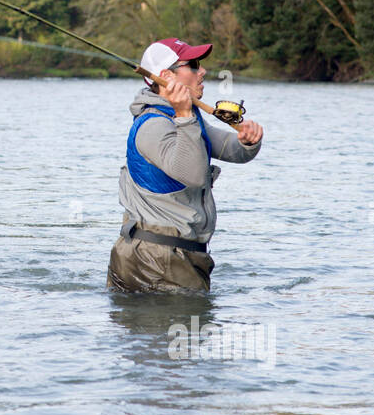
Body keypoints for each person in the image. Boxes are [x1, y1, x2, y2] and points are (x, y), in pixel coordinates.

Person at [108, 38, 264, 294]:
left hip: (171, 256)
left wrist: (248, 142)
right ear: (165, 77)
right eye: (192, 65)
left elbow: (229, 149)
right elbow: (192, 174)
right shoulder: (153, 125)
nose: (202, 71)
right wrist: (184, 116)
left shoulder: (187, 118)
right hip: (158, 260)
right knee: (187, 333)